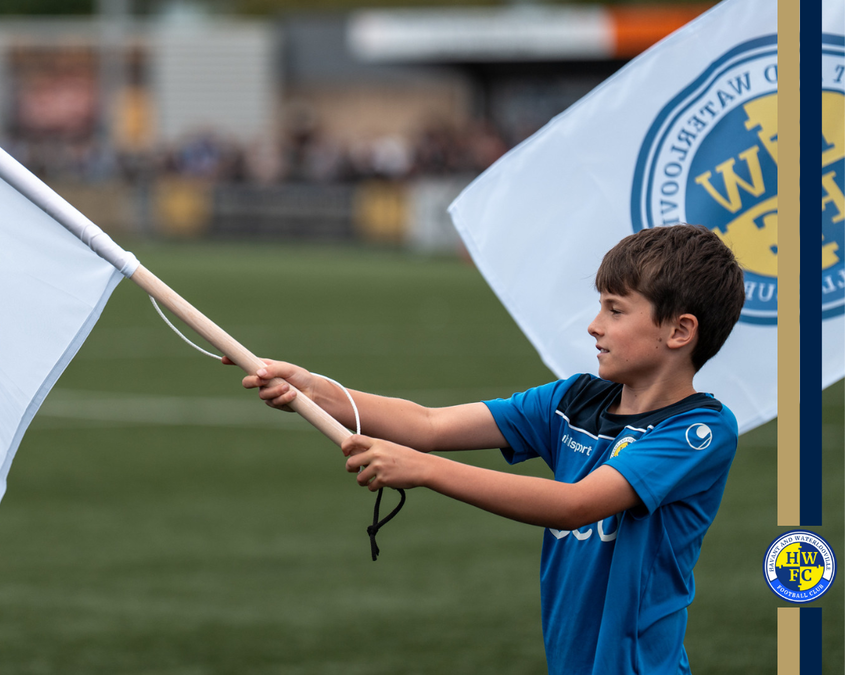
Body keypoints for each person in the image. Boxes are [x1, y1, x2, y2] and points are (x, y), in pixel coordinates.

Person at [235, 224, 746, 675]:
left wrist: (425, 470)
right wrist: (313, 388)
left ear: (679, 331)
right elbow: (427, 423)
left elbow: (577, 506)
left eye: (615, 310)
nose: (595, 325)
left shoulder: (699, 430)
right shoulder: (572, 399)